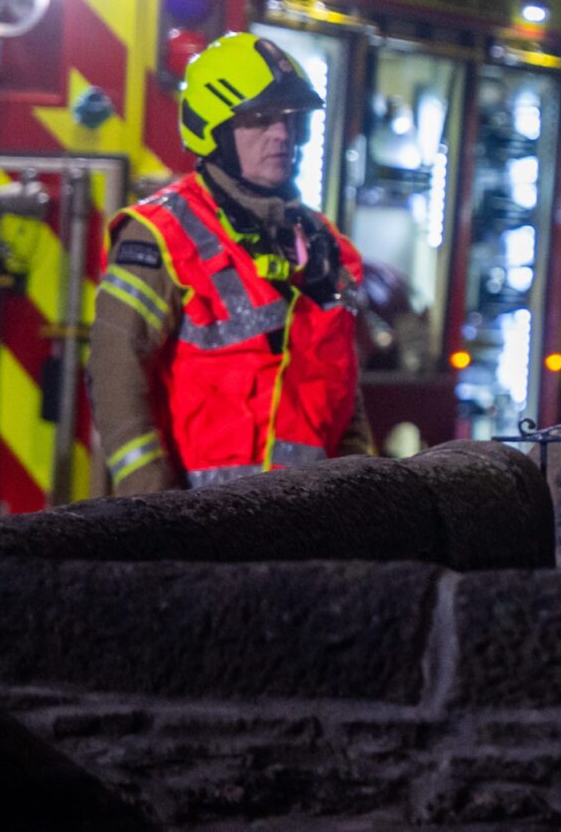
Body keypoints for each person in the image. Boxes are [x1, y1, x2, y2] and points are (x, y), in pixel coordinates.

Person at [89, 32, 373, 495]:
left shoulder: (325, 246)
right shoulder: (159, 234)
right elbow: (117, 372)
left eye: (290, 120)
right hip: (201, 528)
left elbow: (343, 392)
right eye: (260, 120)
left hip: (311, 526)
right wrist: (152, 507)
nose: (282, 135)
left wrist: (367, 493)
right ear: (215, 131)